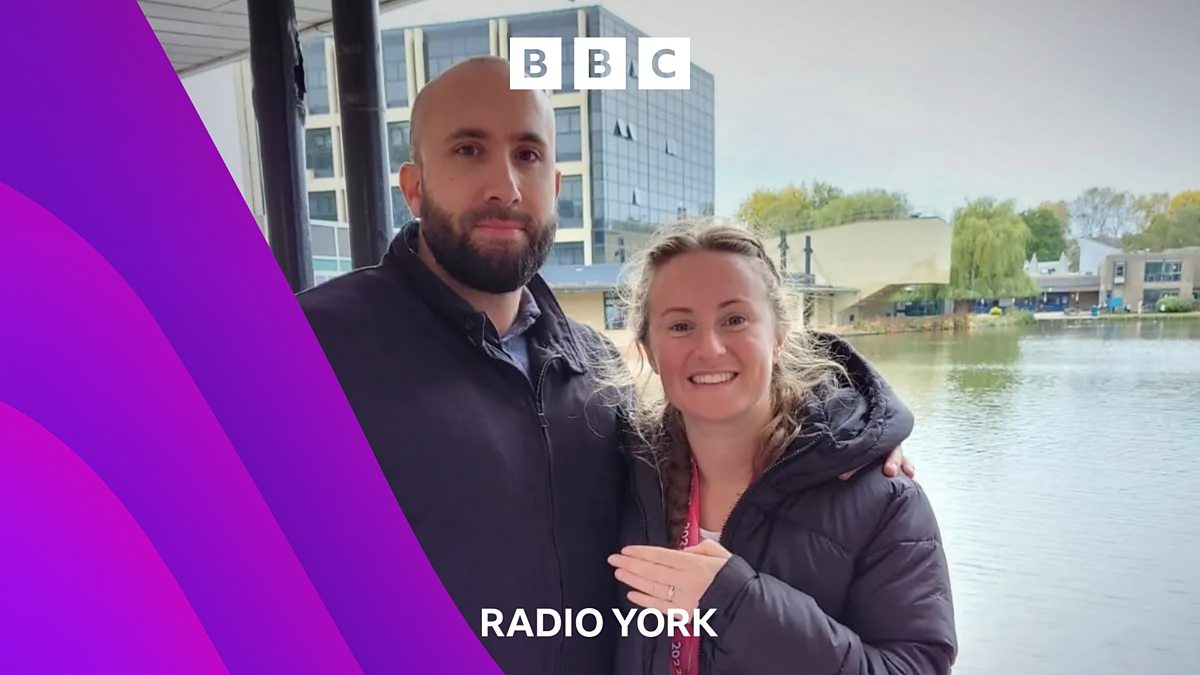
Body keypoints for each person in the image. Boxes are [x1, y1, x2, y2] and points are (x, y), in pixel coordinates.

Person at [296, 56, 914, 674]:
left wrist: (852, 444)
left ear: (556, 188)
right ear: (413, 187)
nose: (505, 187)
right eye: (467, 150)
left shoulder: (595, 370)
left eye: (528, 155)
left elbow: (724, 426)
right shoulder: (306, 347)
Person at [606, 221, 957, 674]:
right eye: (680, 325)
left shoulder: (881, 497)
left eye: (734, 320)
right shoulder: (620, 476)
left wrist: (739, 606)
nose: (710, 348)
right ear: (649, 351)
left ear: (778, 333)